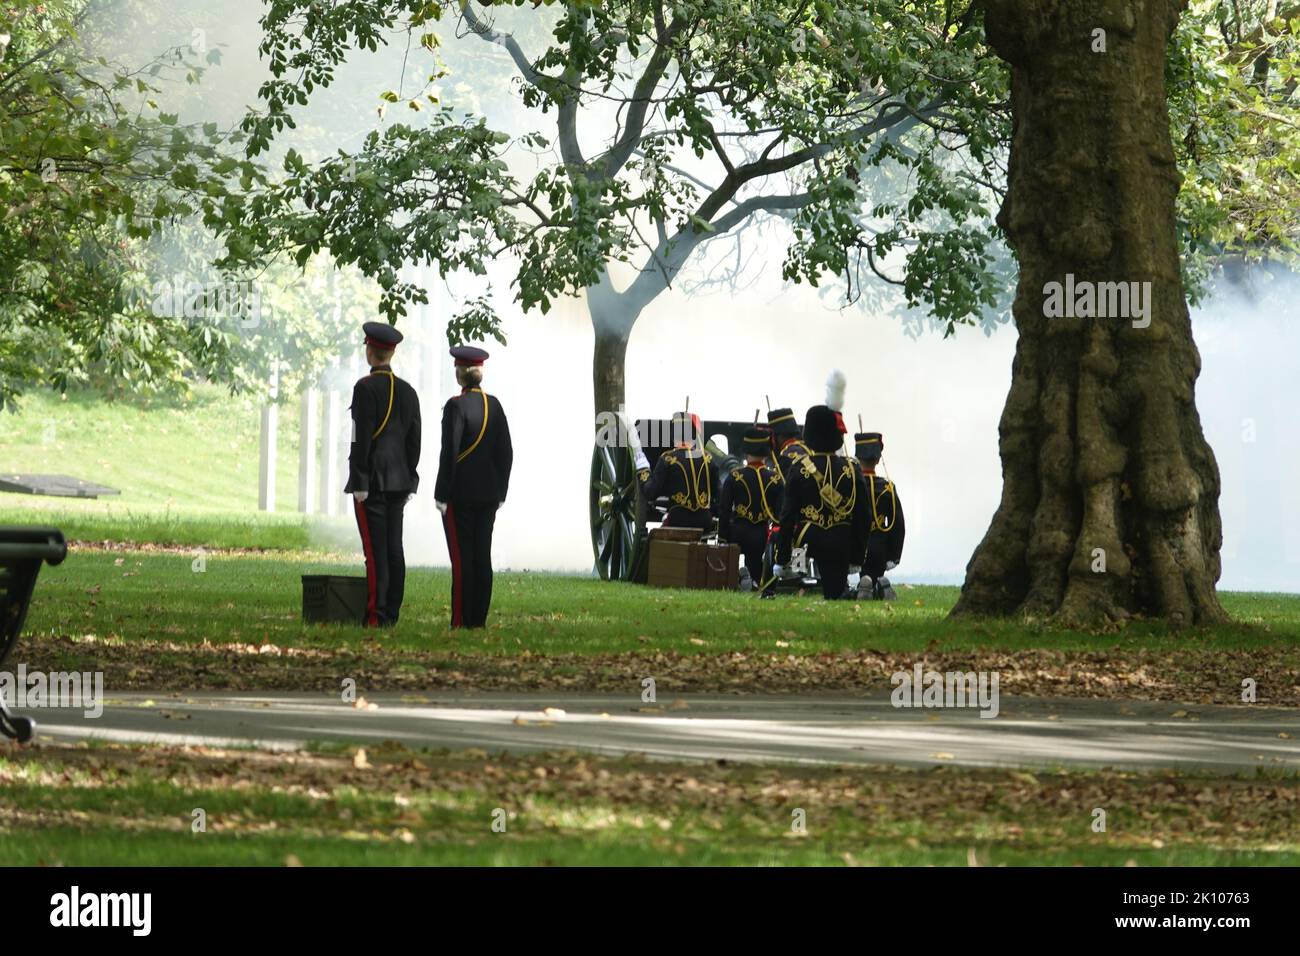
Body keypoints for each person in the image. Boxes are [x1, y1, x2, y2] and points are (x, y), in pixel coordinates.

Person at [345, 321, 422, 628]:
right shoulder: (409, 391)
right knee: (394, 549)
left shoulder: (364, 388)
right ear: (391, 353)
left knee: (375, 553)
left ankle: (377, 615)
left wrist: (359, 478)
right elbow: (415, 441)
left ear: (370, 351)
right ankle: (391, 612)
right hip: (399, 482)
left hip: (372, 483)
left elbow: (359, 438)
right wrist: (410, 476)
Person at [434, 345, 513, 628]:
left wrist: (441, 494)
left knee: (462, 558)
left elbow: (449, 453)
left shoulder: (456, 406)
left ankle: (461, 619)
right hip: (489, 495)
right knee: (482, 556)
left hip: (460, 495)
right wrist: (500, 491)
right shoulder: (495, 404)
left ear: (459, 373)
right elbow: (506, 452)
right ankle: (478, 618)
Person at [774, 373, 868, 600]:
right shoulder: (852, 468)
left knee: (796, 573)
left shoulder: (799, 468)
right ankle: (846, 592)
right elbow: (863, 517)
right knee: (835, 593)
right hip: (840, 540)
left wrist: (782, 558)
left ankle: (795, 577)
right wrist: (856, 557)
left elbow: (787, 518)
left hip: (806, 540)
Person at [718, 427, 781, 588]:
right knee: (755, 569)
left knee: (728, 570)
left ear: (746, 452)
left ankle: (734, 582)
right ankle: (753, 583)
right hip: (760, 533)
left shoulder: (735, 475)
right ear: (766, 453)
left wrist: (722, 537)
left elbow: (724, 509)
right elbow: (779, 512)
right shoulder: (774, 478)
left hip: (737, 530)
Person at [635, 411, 719, 530]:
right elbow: (718, 494)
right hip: (704, 521)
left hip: (677, 521)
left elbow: (650, 492)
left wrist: (643, 469)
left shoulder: (667, 458)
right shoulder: (708, 458)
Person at [853, 431, 906, 600]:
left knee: (863, 577)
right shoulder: (887, 487)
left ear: (857, 457)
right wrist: (894, 556)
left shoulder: (852, 485)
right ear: (877, 459)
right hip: (880, 547)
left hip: (858, 547)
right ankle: (880, 585)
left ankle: (865, 585)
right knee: (876, 575)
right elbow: (898, 525)